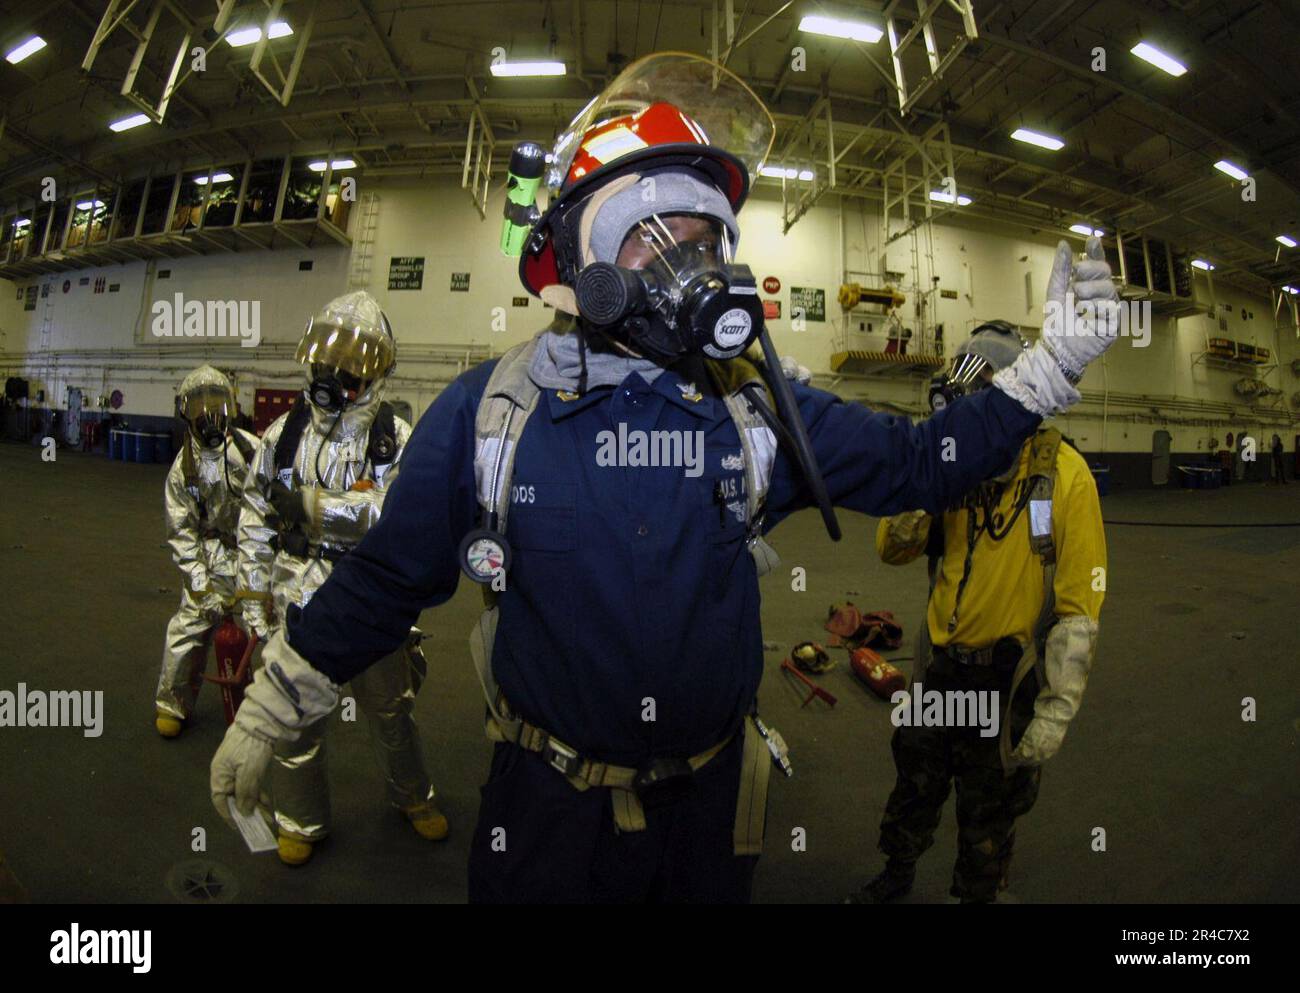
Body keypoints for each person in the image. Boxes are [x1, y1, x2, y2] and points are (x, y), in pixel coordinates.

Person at [211, 52, 1122, 903]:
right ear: (586, 264)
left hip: (708, 811)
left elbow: (921, 463)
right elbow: (385, 575)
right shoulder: (493, 412)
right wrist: (276, 697)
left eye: (707, 239)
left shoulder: (759, 412)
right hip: (545, 811)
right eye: (658, 237)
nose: (696, 266)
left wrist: (1050, 369)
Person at [850, 324, 1106, 904]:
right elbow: (892, 550)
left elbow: (1078, 607)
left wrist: (1056, 709)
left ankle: (976, 894)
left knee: (988, 810)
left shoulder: (1063, 478)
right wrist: (918, 502)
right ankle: (897, 874)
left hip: (1005, 679)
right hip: (940, 668)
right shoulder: (955, 463)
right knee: (915, 784)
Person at [236, 291, 447, 865]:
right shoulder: (282, 434)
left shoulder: (394, 439)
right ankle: (300, 821)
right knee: (295, 718)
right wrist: (253, 595)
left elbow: (397, 517)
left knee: (390, 708)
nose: (333, 376)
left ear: (373, 374)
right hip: (294, 600)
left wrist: (314, 505)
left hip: (371, 599)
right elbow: (254, 517)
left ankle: (413, 796)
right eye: (327, 362)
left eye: (350, 368)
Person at [155, 366, 259, 737]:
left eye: (216, 405)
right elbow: (181, 534)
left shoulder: (250, 450)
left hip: (251, 555)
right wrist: (201, 585)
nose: (210, 415)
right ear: (186, 413)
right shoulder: (183, 471)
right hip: (208, 559)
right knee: (188, 628)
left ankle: (277, 708)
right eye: (200, 407)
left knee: (271, 628)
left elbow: (270, 509)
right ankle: (172, 703)